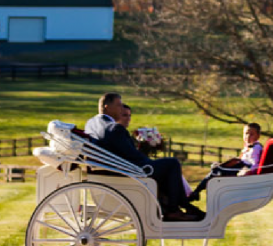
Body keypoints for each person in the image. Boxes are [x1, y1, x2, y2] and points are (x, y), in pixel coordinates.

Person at [83, 92, 201, 220]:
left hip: (108, 168)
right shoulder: (114, 128)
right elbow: (133, 156)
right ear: (107, 107)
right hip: (128, 170)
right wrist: (149, 160)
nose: (122, 109)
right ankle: (174, 209)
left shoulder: (91, 124)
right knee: (172, 163)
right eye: (119, 105)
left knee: (163, 165)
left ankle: (181, 204)